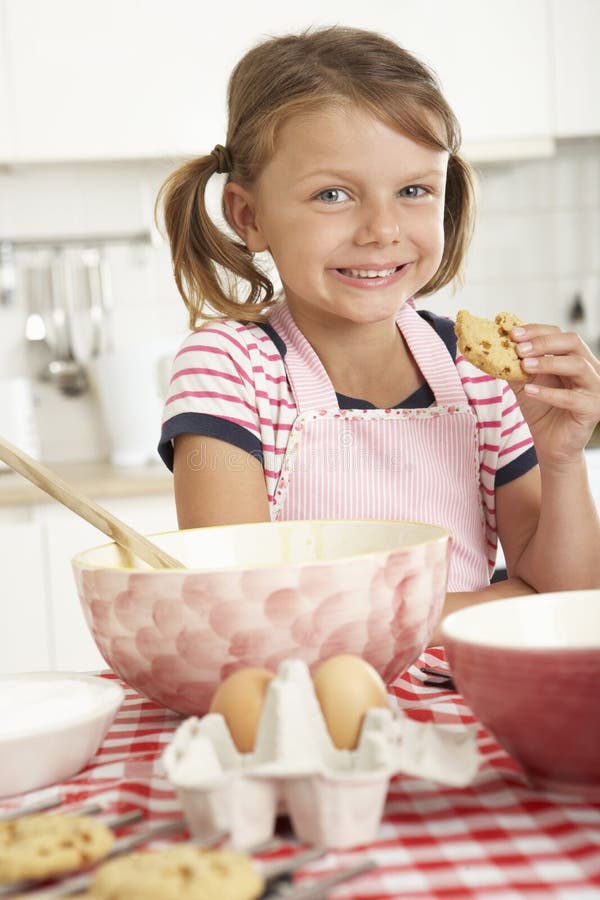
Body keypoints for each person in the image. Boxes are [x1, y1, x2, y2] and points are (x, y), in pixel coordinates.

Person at [156, 26, 600, 637]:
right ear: (249, 215)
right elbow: (246, 611)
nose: (382, 230)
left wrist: (562, 458)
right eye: (333, 194)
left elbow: (566, 603)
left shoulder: (481, 378)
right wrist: (486, 605)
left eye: (414, 190)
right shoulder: (228, 369)